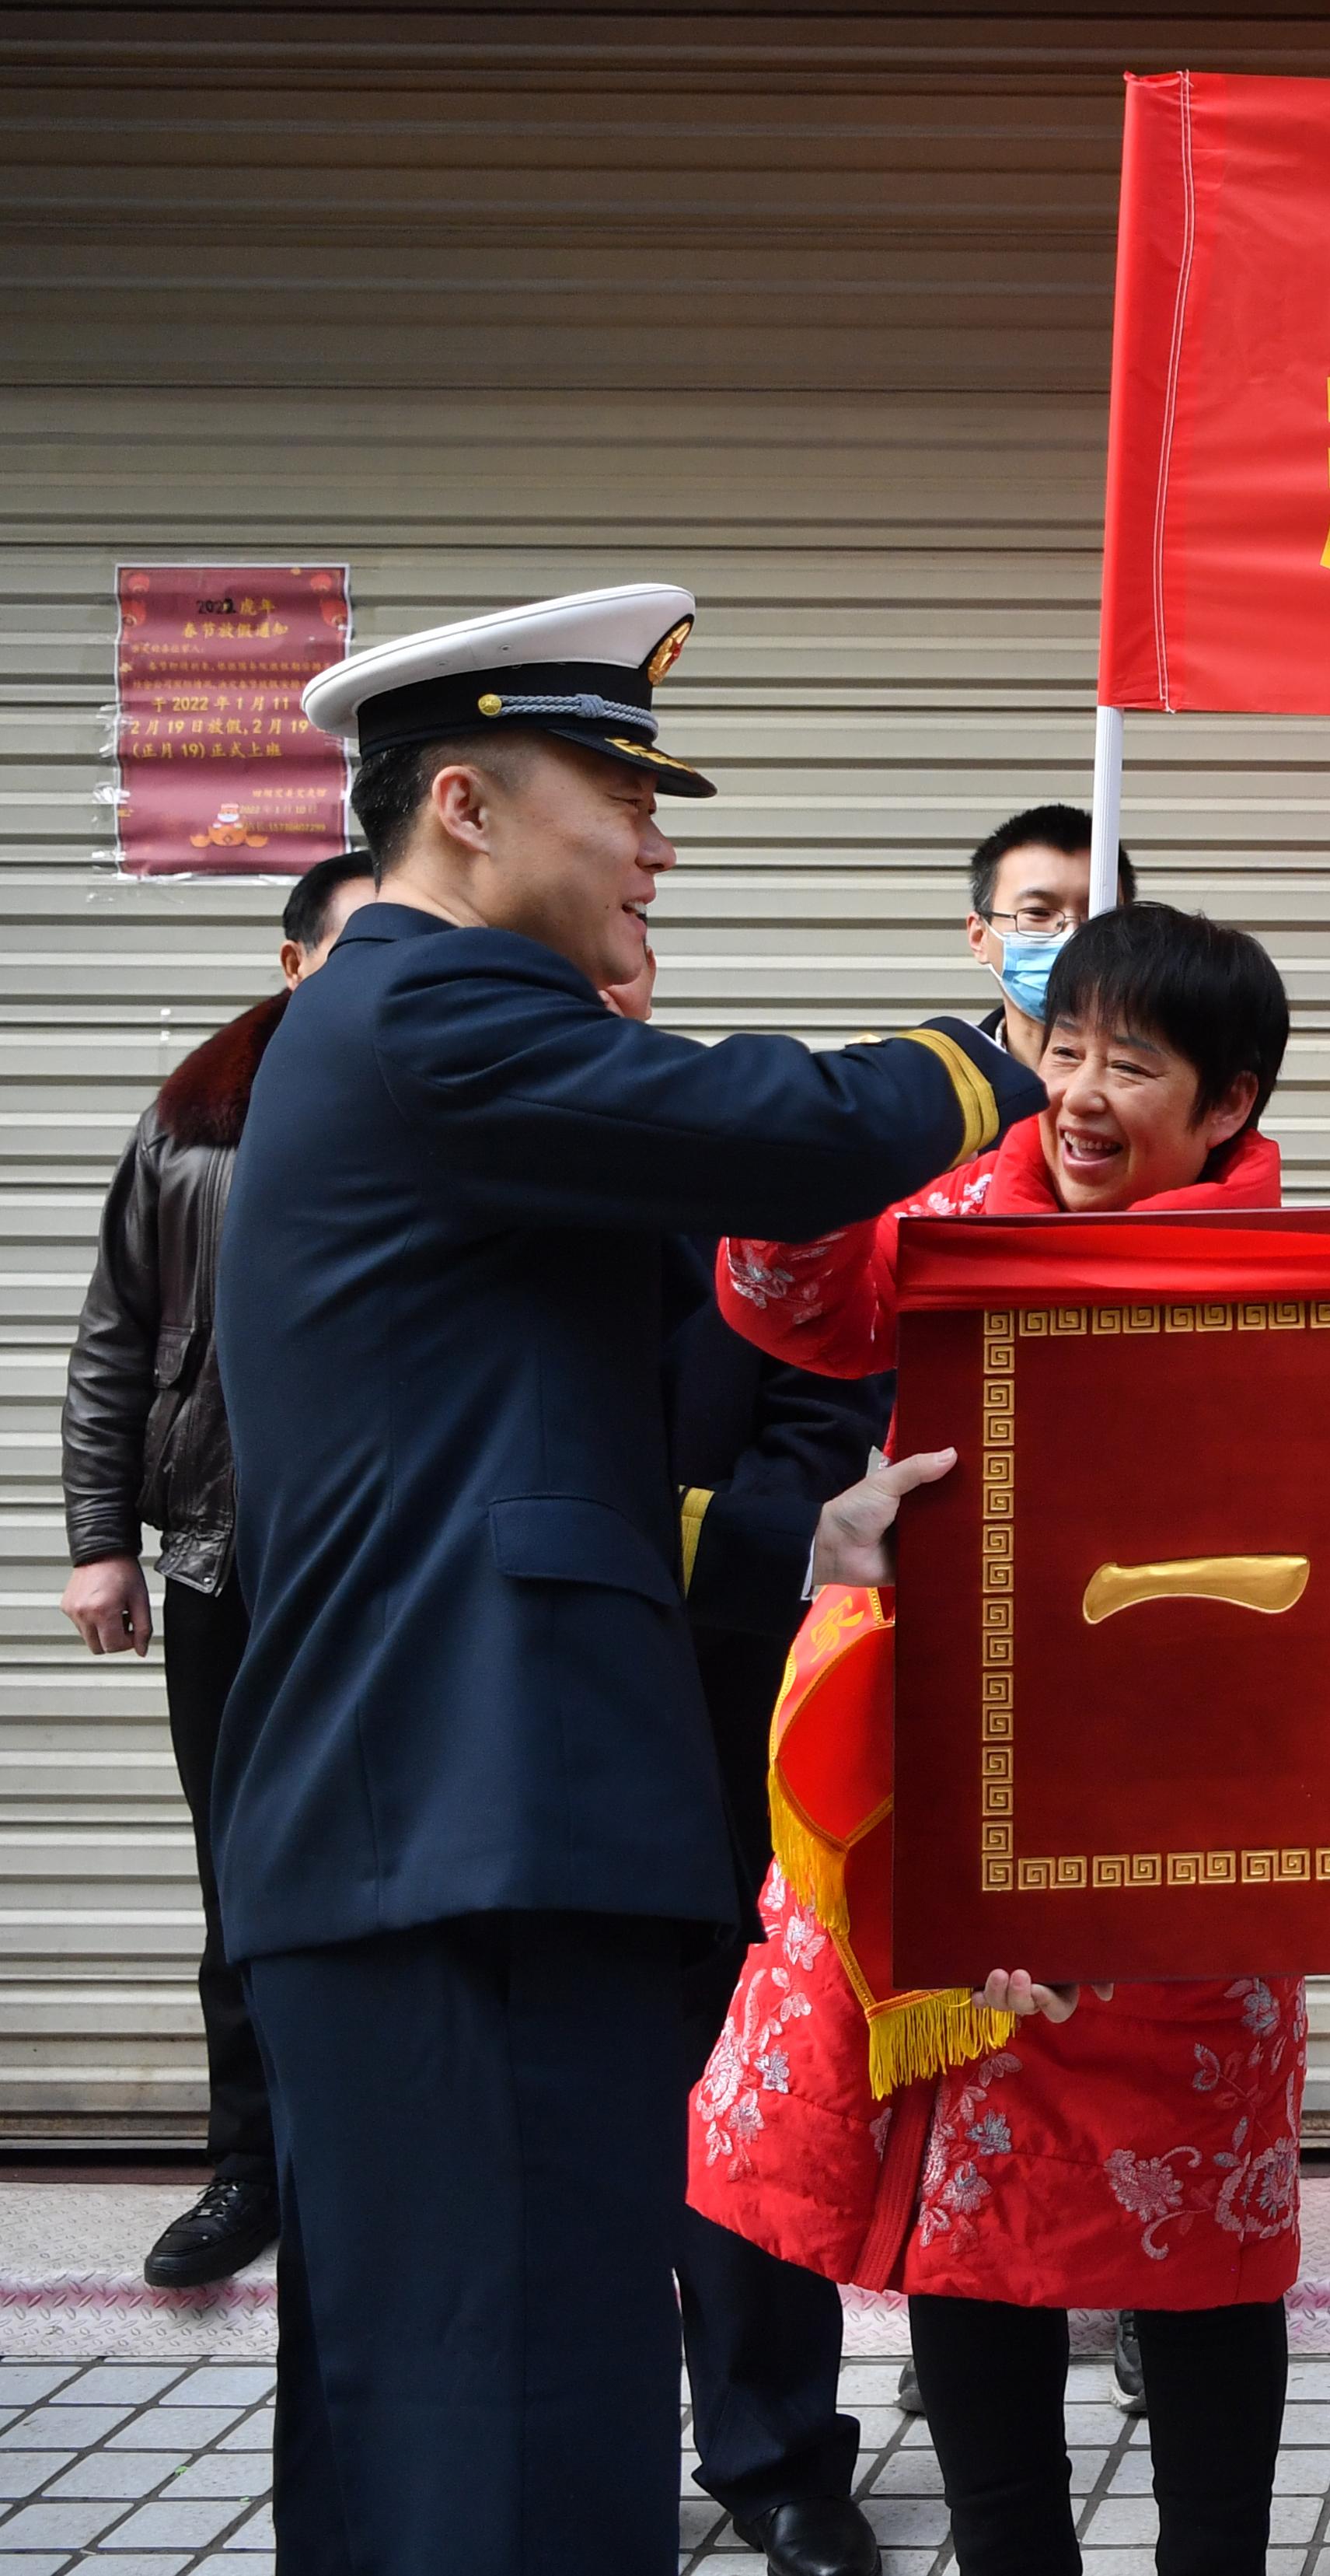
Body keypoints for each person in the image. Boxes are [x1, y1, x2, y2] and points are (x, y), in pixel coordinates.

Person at [216, 583, 1042, 2576]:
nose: (656, 839)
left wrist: (797, 1536)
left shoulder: (405, 1043)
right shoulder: (425, 1004)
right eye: (620, 790)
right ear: (468, 809)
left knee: (413, 2405)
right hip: (466, 1835)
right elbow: (781, 1128)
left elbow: (522, 1469)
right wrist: (1005, 1042)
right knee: (518, 2416)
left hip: (430, 1840)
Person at [701, 900, 1300, 2576]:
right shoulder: (959, 1214)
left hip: (1174, 1819)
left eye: (1135, 1064)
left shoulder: (1285, 1283)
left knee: (1196, 2240)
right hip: (942, 1788)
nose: (1087, 1093)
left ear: (1226, 1107)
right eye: (1066, 1050)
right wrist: (876, 1118)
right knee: (964, 2221)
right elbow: (782, 1294)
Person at [594, 948, 899, 2576]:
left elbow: (819, 1413)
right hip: (515, 1717)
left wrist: (680, 1551)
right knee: (561, 2104)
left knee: (746, 2075)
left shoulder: (743, 1187)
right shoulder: (443, 1184)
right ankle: (576, 2452)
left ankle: (777, 2453)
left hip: (718, 1702)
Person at [61, 847, 374, 2288]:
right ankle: (251, 2162)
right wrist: (99, 1540)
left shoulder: (446, 1109)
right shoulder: (194, 1122)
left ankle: (379, 2150)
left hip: (392, 1562)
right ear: (295, 960)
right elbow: (118, 1336)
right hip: (223, 1553)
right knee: (239, 1869)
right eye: (358, 946)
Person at [965, 802, 1136, 1069]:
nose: (1072, 938)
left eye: (1098, 914)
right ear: (979, 937)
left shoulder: (1178, 1091)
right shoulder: (935, 1090)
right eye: (1038, 913)